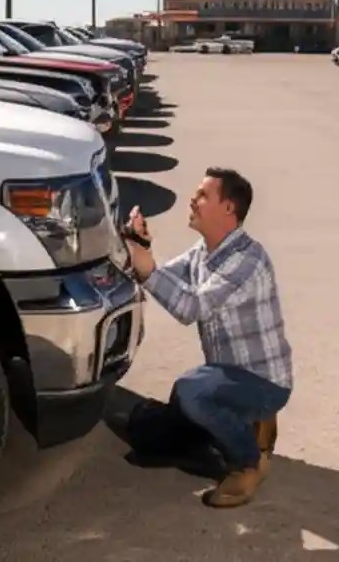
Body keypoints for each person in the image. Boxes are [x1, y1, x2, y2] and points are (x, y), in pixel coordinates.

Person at [123, 167, 293, 508]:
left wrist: (147, 269)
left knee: (192, 390)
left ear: (228, 208)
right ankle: (248, 425)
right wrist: (142, 249)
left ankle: (248, 463)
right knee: (147, 429)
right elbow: (164, 277)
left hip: (262, 383)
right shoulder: (204, 251)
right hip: (228, 378)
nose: (192, 199)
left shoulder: (246, 260)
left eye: (202, 195)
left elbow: (190, 306)